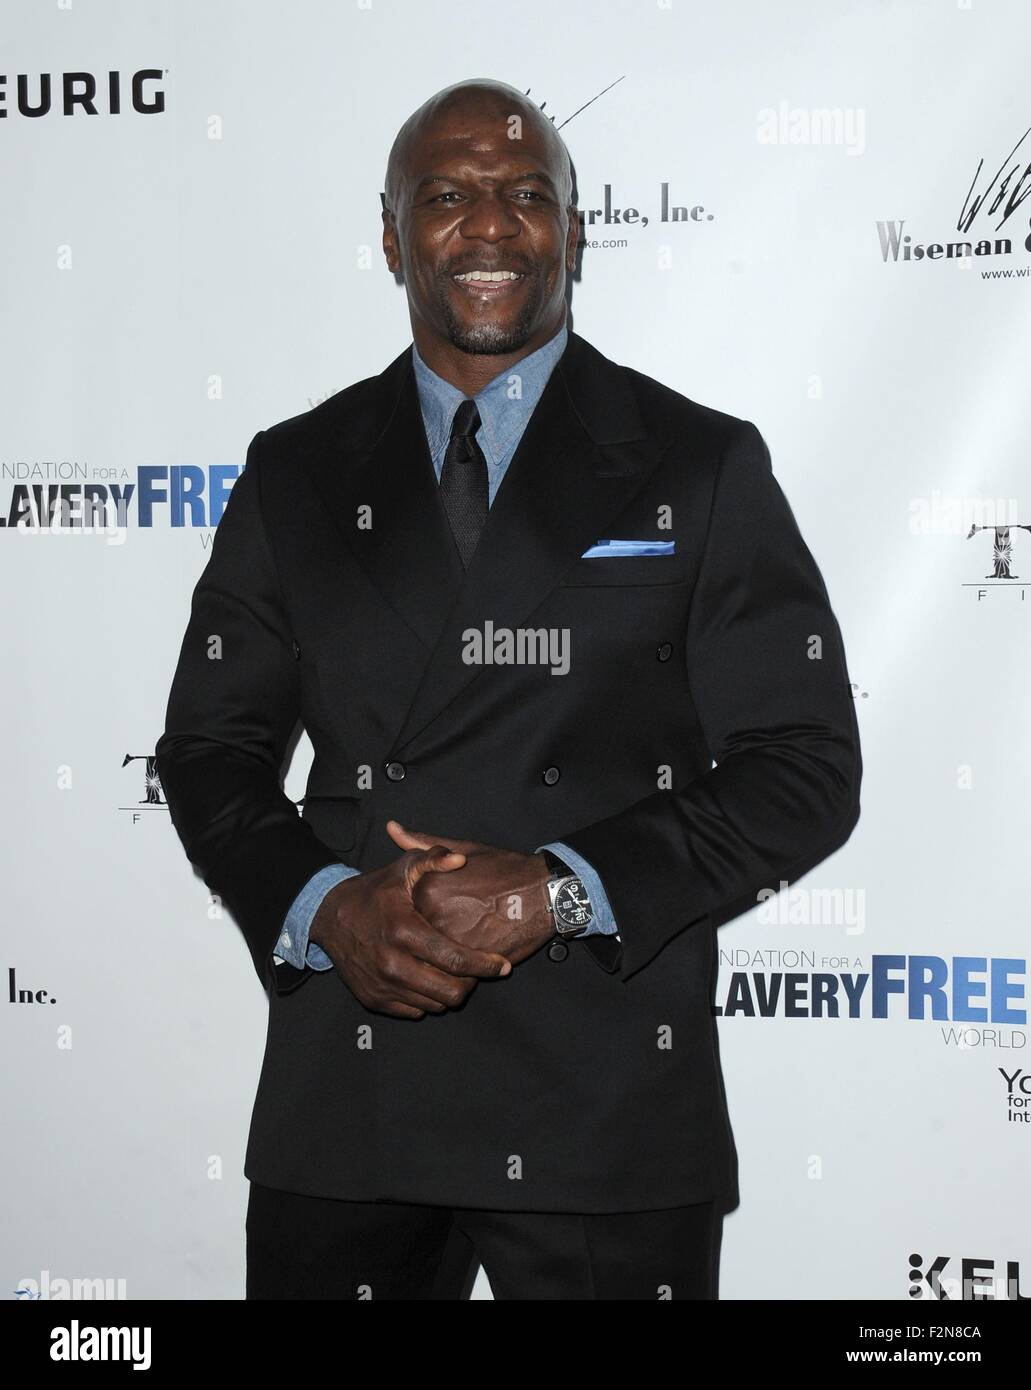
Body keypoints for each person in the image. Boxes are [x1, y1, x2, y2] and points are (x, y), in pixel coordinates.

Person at [155, 77, 862, 1301]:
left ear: (574, 233)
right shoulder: (297, 469)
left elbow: (802, 762)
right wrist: (325, 908)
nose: (490, 224)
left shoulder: (696, 462)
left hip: (603, 1101)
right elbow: (210, 750)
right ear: (390, 236)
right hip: (355, 1089)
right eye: (447, 195)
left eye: (526, 194)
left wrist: (559, 891)